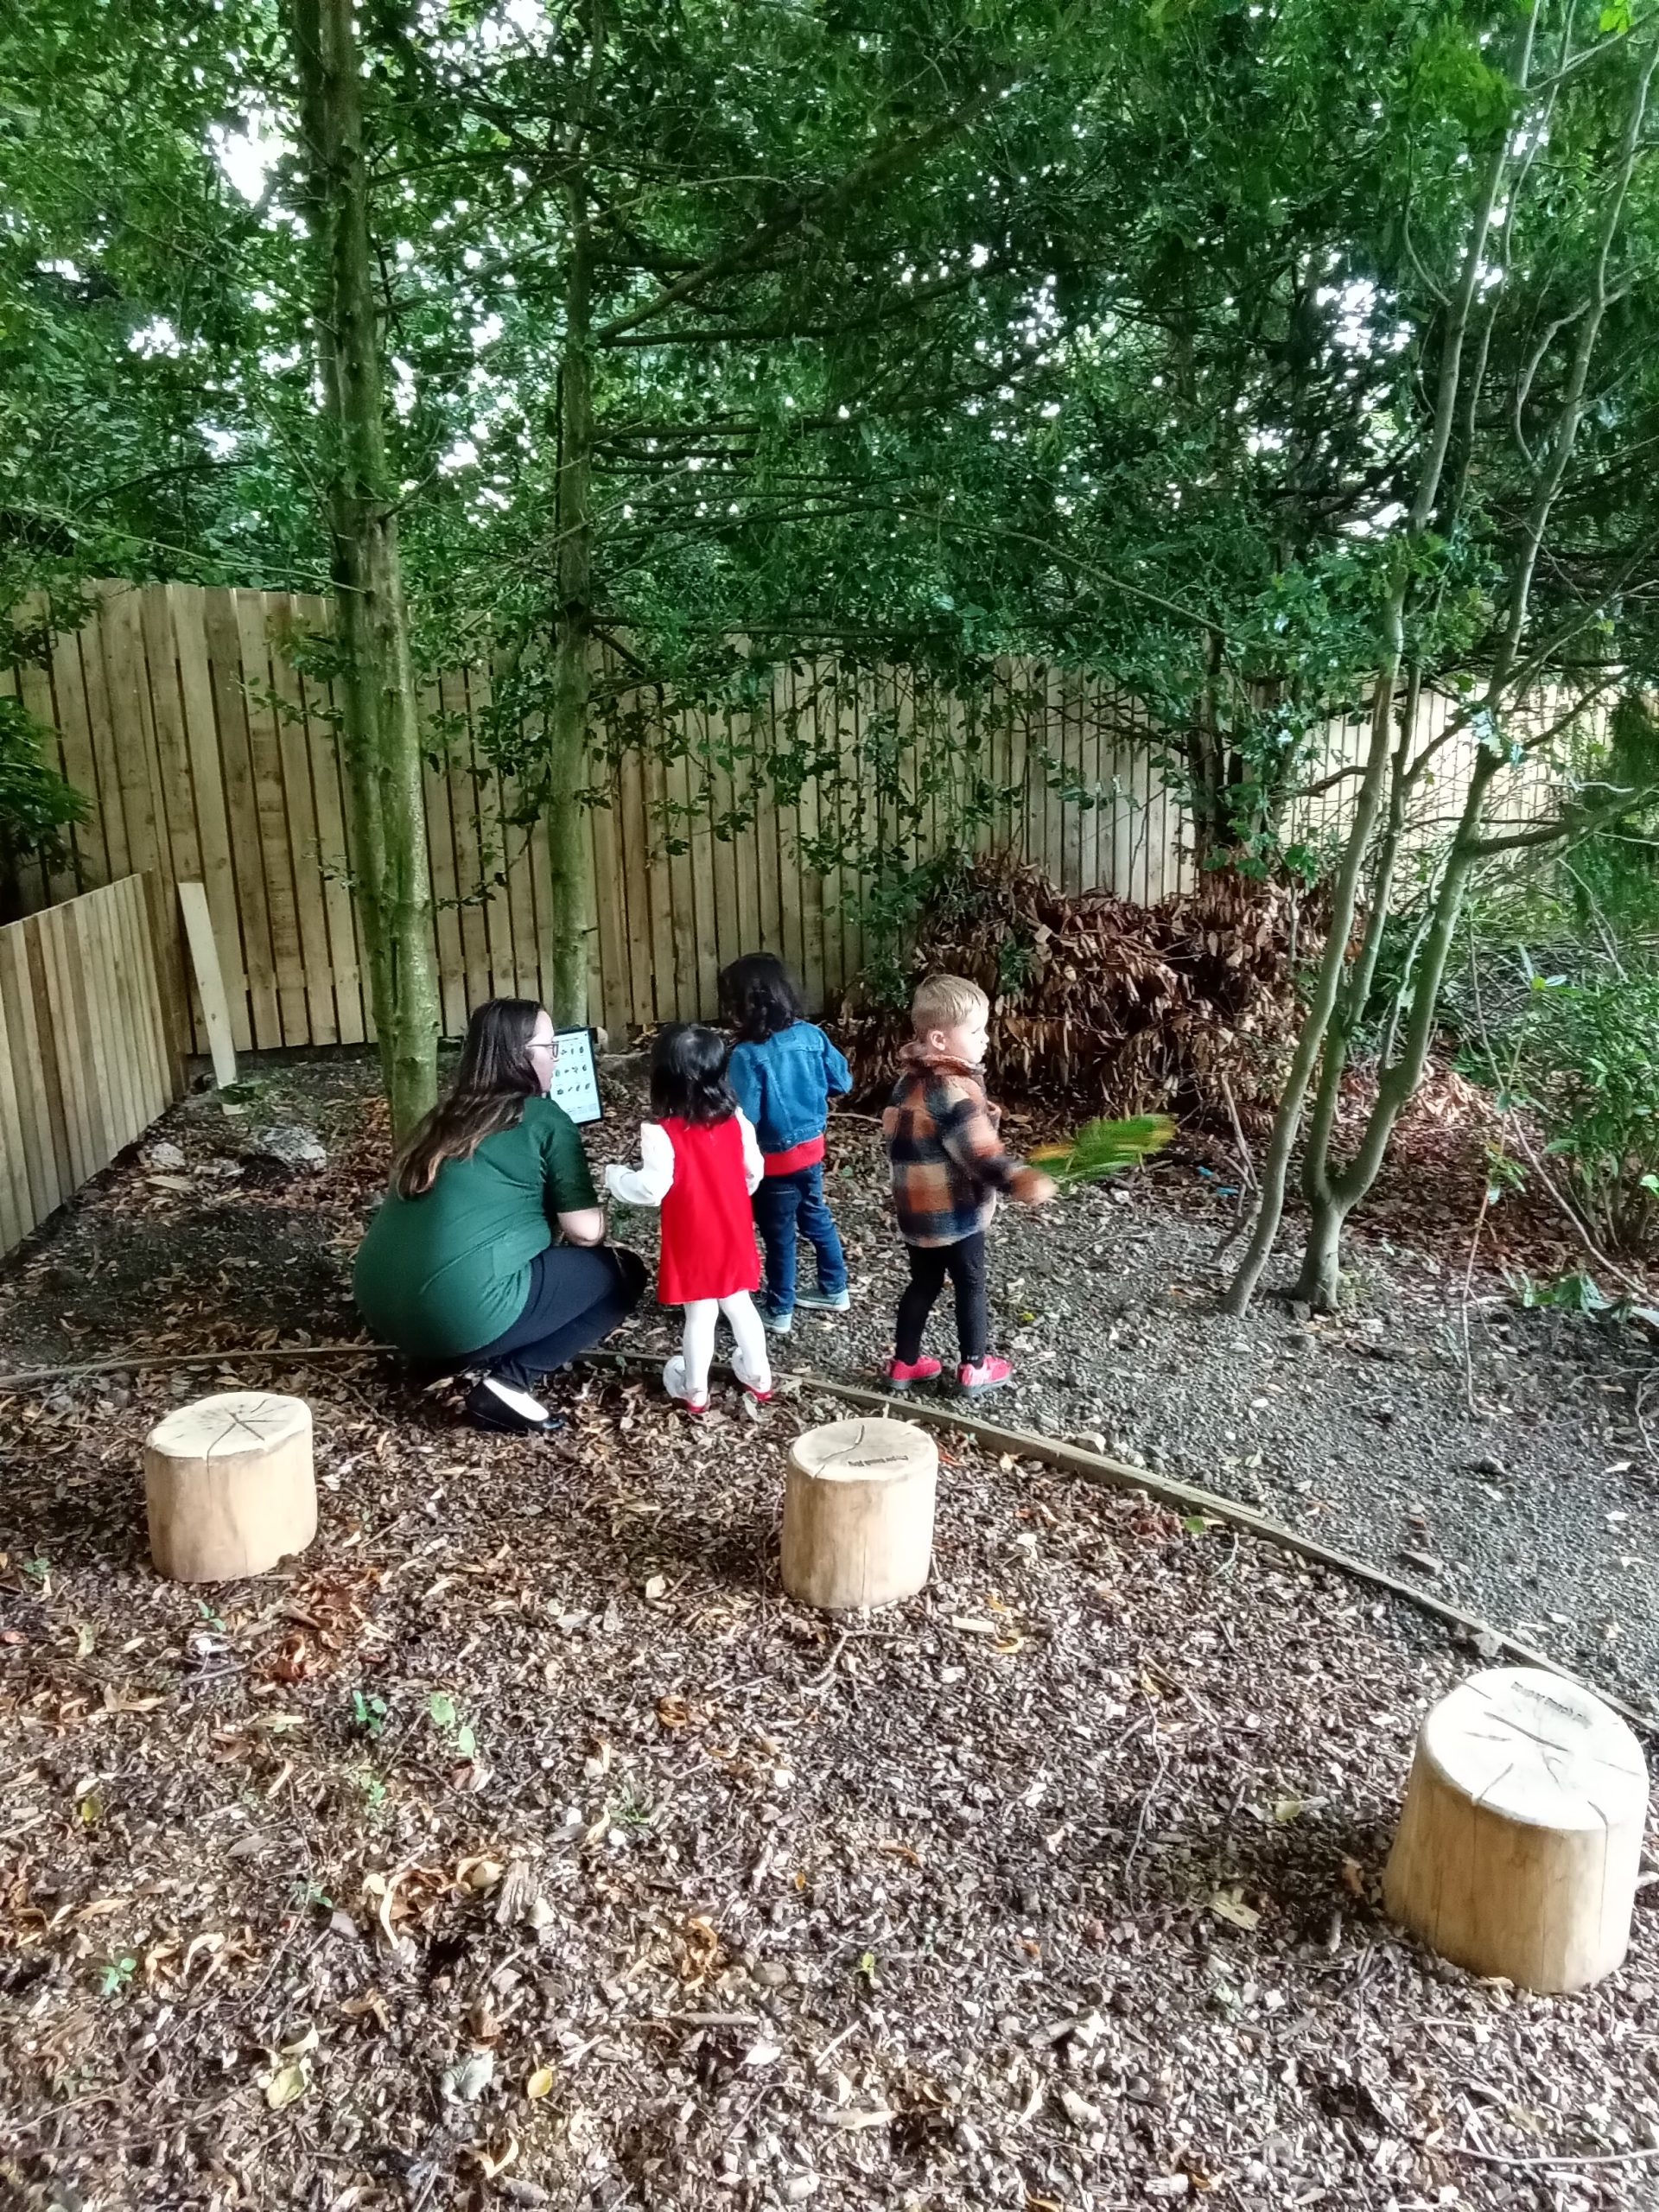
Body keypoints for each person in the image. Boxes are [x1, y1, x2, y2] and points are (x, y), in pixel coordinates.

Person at [353, 1000, 645, 1433]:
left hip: (380, 1306)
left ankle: (440, 1357)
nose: (556, 1059)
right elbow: (584, 1232)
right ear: (519, 1055)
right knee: (624, 1273)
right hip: (459, 1311)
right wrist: (614, 1200)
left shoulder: (440, 1116)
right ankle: (510, 1384)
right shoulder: (544, 1117)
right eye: (549, 1047)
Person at [882, 973, 1056, 1396]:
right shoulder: (952, 1092)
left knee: (922, 1284)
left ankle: (904, 1363)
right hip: (957, 1215)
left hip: (916, 1213)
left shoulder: (906, 1084)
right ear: (939, 1039)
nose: (986, 1039)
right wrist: (1023, 1180)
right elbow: (982, 1158)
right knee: (971, 1285)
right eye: (976, 1031)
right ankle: (974, 1367)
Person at [605, 1024, 772, 1417]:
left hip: (692, 1233)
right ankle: (759, 1376)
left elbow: (652, 1189)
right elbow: (754, 1170)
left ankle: (694, 1389)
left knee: (700, 1313)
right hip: (733, 1226)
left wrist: (616, 1177)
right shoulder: (736, 1120)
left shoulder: (661, 1132)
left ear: (662, 1076)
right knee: (740, 1303)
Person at [720, 951, 852, 1336]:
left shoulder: (747, 1055)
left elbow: (746, 1119)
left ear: (744, 1005)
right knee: (816, 1216)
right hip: (812, 1153)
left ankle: (779, 1310)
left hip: (774, 1163)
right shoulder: (813, 1036)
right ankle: (835, 1288)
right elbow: (842, 1082)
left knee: (779, 1236)